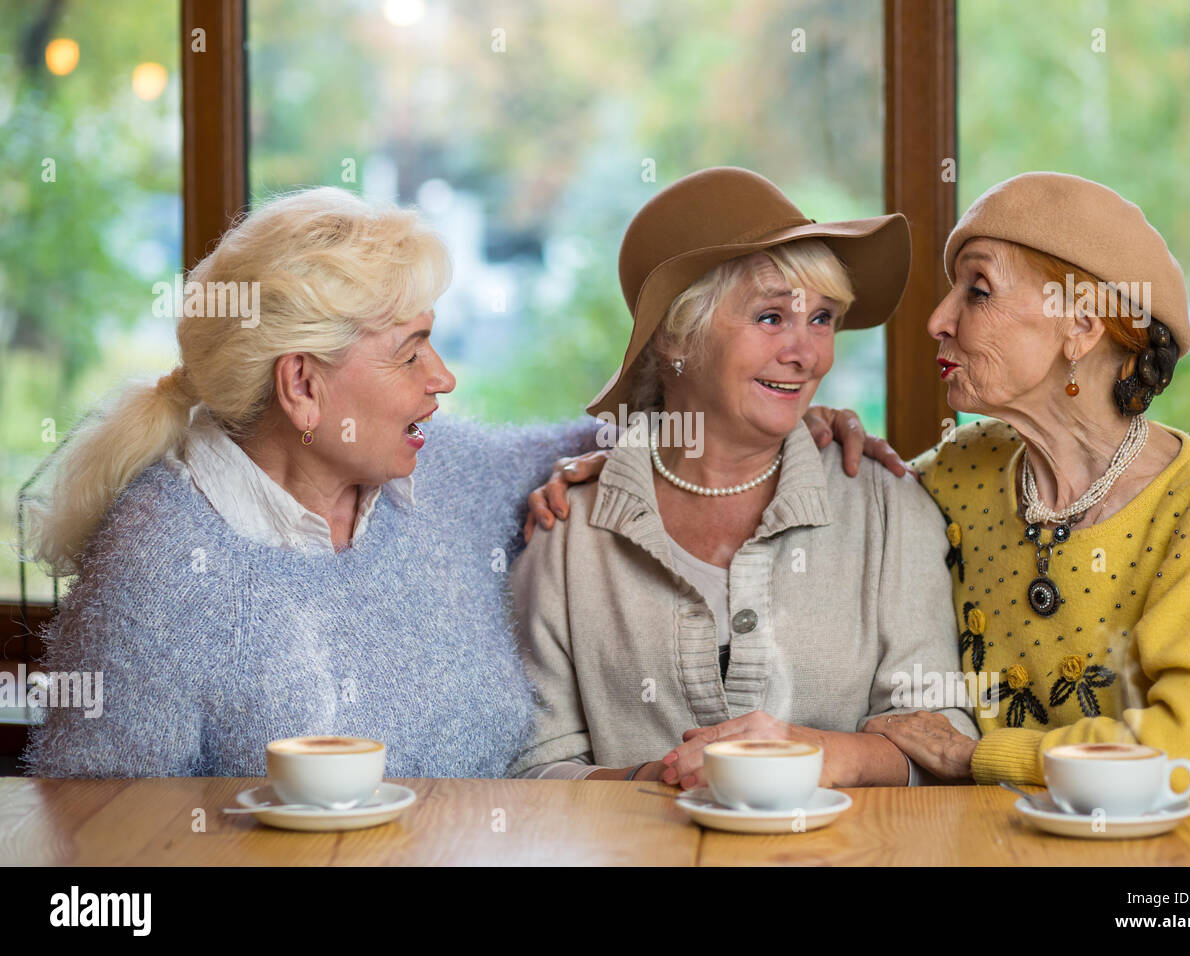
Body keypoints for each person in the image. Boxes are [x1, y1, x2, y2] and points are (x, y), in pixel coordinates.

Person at [20, 186, 874, 779]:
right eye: (410, 351)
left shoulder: (440, 477)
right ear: (302, 387)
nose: (443, 378)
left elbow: (663, 433)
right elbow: (100, 843)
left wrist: (790, 421)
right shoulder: (161, 562)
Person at [509, 167, 977, 789]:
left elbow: (941, 740)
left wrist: (808, 754)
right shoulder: (568, 532)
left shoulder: (890, 509)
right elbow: (533, 769)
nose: (807, 354)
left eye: (822, 319)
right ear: (677, 335)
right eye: (770, 318)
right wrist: (658, 779)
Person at [861, 172, 1190, 795]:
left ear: (1080, 329)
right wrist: (818, 431)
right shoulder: (962, 466)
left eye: (977, 291)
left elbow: (1185, 747)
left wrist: (976, 756)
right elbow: (861, 508)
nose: (936, 320)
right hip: (1010, 840)